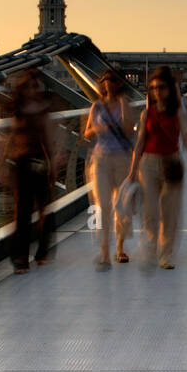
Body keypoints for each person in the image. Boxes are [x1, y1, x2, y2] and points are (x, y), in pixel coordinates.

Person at [0, 67, 56, 273]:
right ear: (23, 88)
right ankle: (20, 258)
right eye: (28, 86)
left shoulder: (44, 111)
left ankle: (42, 252)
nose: (32, 90)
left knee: (44, 210)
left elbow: (49, 140)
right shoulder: (16, 110)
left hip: (41, 163)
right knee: (22, 213)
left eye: (35, 86)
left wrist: (53, 167)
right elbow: (3, 140)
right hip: (20, 164)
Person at [127, 65, 187, 269]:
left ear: (170, 89)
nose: (157, 91)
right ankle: (151, 246)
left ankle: (166, 254)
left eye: (161, 87)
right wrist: (132, 171)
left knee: (170, 211)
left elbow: (186, 134)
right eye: (153, 88)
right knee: (150, 211)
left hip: (171, 162)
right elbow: (140, 142)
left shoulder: (178, 112)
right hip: (148, 163)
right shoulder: (147, 113)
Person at [83, 68, 137, 269]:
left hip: (122, 157)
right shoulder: (97, 106)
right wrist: (98, 128)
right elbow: (87, 133)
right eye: (106, 79)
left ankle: (120, 247)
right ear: (102, 83)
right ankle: (105, 249)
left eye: (113, 79)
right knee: (103, 204)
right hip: (101, 159)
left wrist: (123, 105)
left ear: (119, 83)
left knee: (121, 205)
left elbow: (128, 131)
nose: (109, 83)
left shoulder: (125, 104)